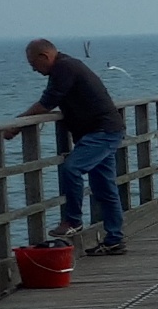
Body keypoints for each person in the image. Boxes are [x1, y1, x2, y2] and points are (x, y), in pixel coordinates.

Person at [11, 40, 126, 255]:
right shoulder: (67, 66)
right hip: (104, 130)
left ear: (44, 56)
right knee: (105, 188)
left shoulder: (64, 68)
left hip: (101, 131)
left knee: (72, 168)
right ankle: (115, 240)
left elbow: (47, 103)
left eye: (33, 63)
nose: (33, 69)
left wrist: (16, 126)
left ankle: (73, 220)